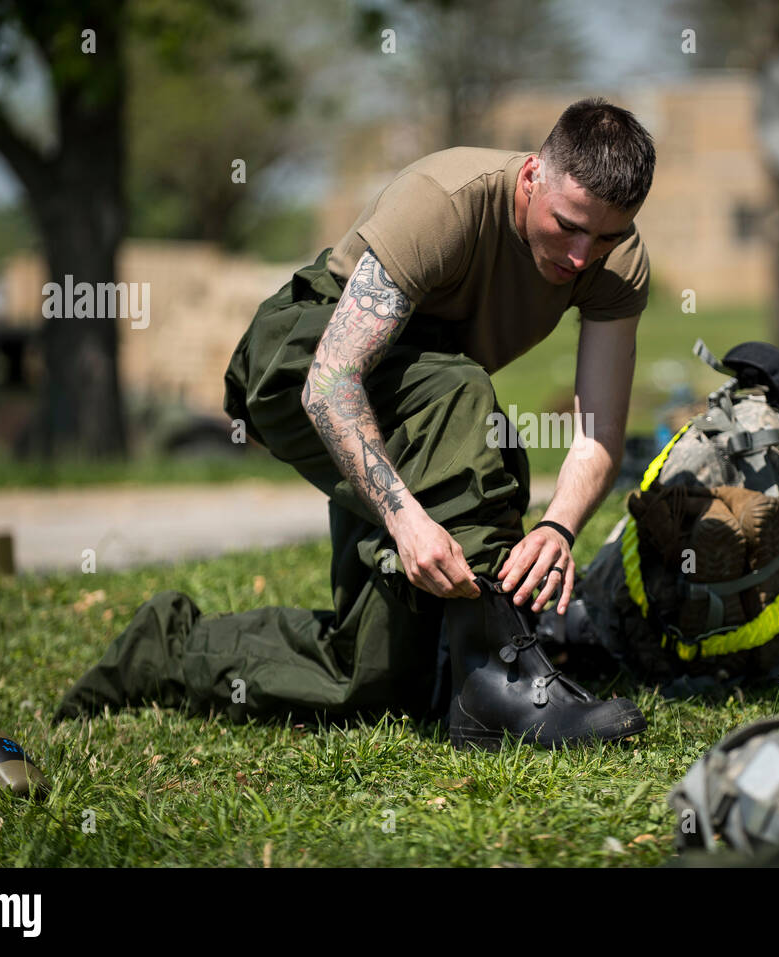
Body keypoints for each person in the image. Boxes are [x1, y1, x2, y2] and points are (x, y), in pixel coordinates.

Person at [56, 98, 655, 749]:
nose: (579, 257)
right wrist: (404, 518)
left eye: (603, 238)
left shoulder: (614, 262)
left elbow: (597, 432)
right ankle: (501, 678)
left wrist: (558, 525)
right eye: (568, 226)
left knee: (378, 676)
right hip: (303, 358)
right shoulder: (444, 200)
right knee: (466, 405)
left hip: (412, 401)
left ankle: (167, 652)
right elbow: (331, 382)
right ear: (533, 173)